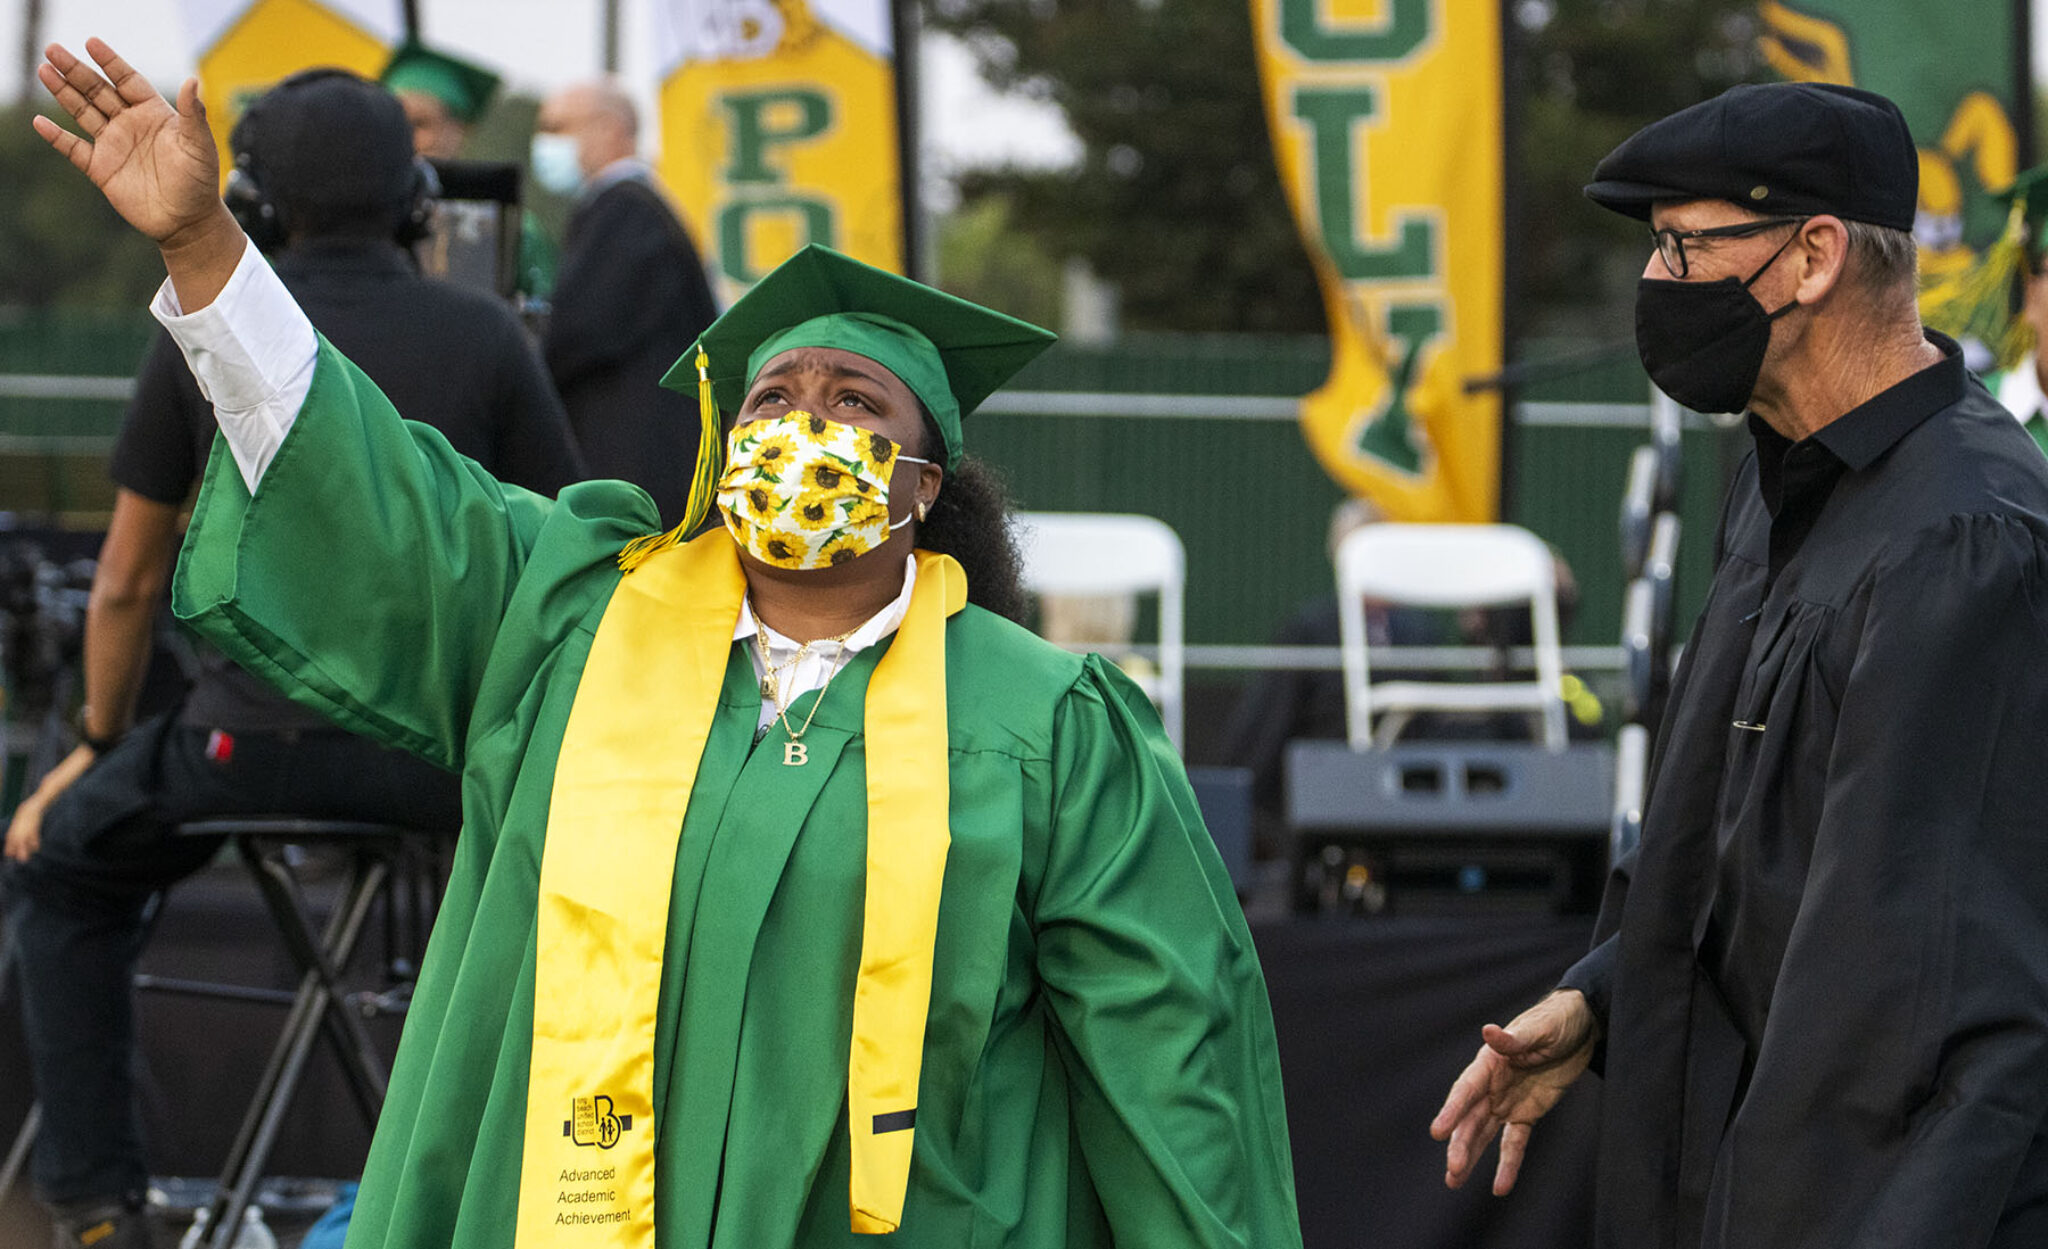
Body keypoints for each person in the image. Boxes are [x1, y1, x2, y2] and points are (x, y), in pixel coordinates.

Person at [28, 38, 1304, 1249]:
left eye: (851, 402)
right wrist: (206, 246)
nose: (799, 421)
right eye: (770, 398)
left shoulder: (1050, 722)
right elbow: (375, 482)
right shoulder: (575, 622)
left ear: (921, 487)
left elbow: (1170, 1063)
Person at [1431, 81, 2048, 1247]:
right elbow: (1747, 843)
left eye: (1682, 246)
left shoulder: (1963, 538)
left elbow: (1927, 1005)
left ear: (1812, 255)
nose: (1657, 287)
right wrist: (1603, 992)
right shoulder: (1779, 487)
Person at [3, 66, 586, 1249]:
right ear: (418, 202)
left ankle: (100, 1205)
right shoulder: (485, 332)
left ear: (253, 202)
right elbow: (562, 557)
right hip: (436, 769)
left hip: (240, 750)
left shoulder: (204, 324)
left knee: (63, 868)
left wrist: (95, 746)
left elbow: (121, 580)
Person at [534, 79, 719, 524]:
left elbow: (580, 330)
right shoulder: (633, 208)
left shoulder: (626, 210)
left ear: (611, 129)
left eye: (560, 127)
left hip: (639, 472)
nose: (546, 142)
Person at [380, 37, 557, 300]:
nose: (406, 138)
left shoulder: (513, 228)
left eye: (420, 124)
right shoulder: (367, 220)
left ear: (460, 129)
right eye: (394, 124)